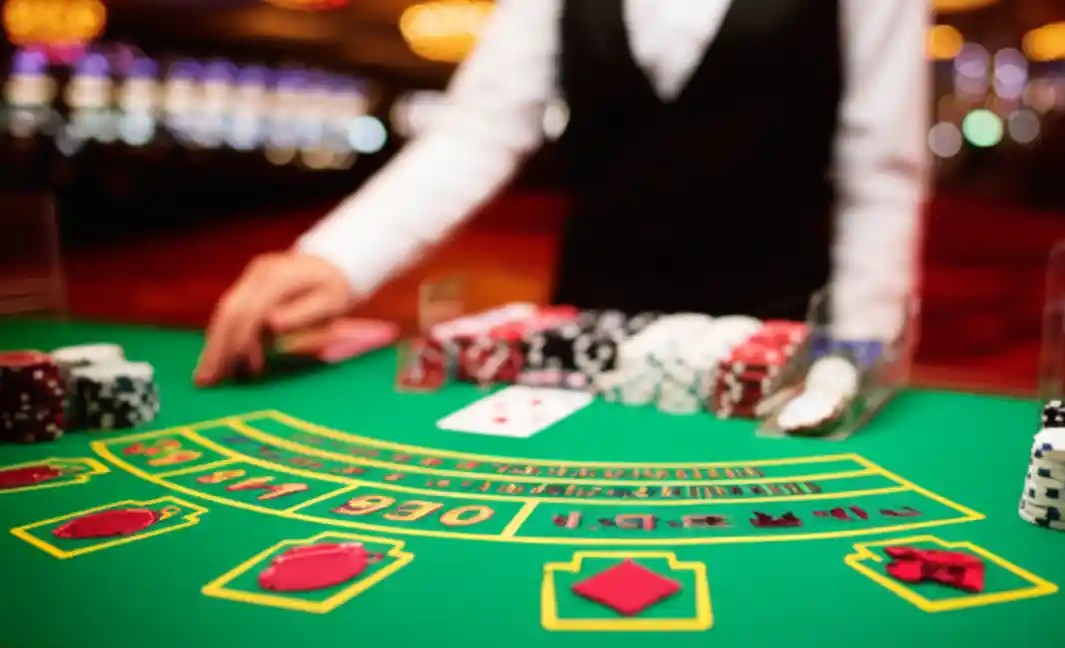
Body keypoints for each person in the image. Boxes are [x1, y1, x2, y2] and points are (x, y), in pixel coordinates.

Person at [196, 0, 929, 386]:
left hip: (775, 332)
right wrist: (334, 260)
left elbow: (881, 173)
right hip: (585, 327)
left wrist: (855, 361)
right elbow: (479, 128)